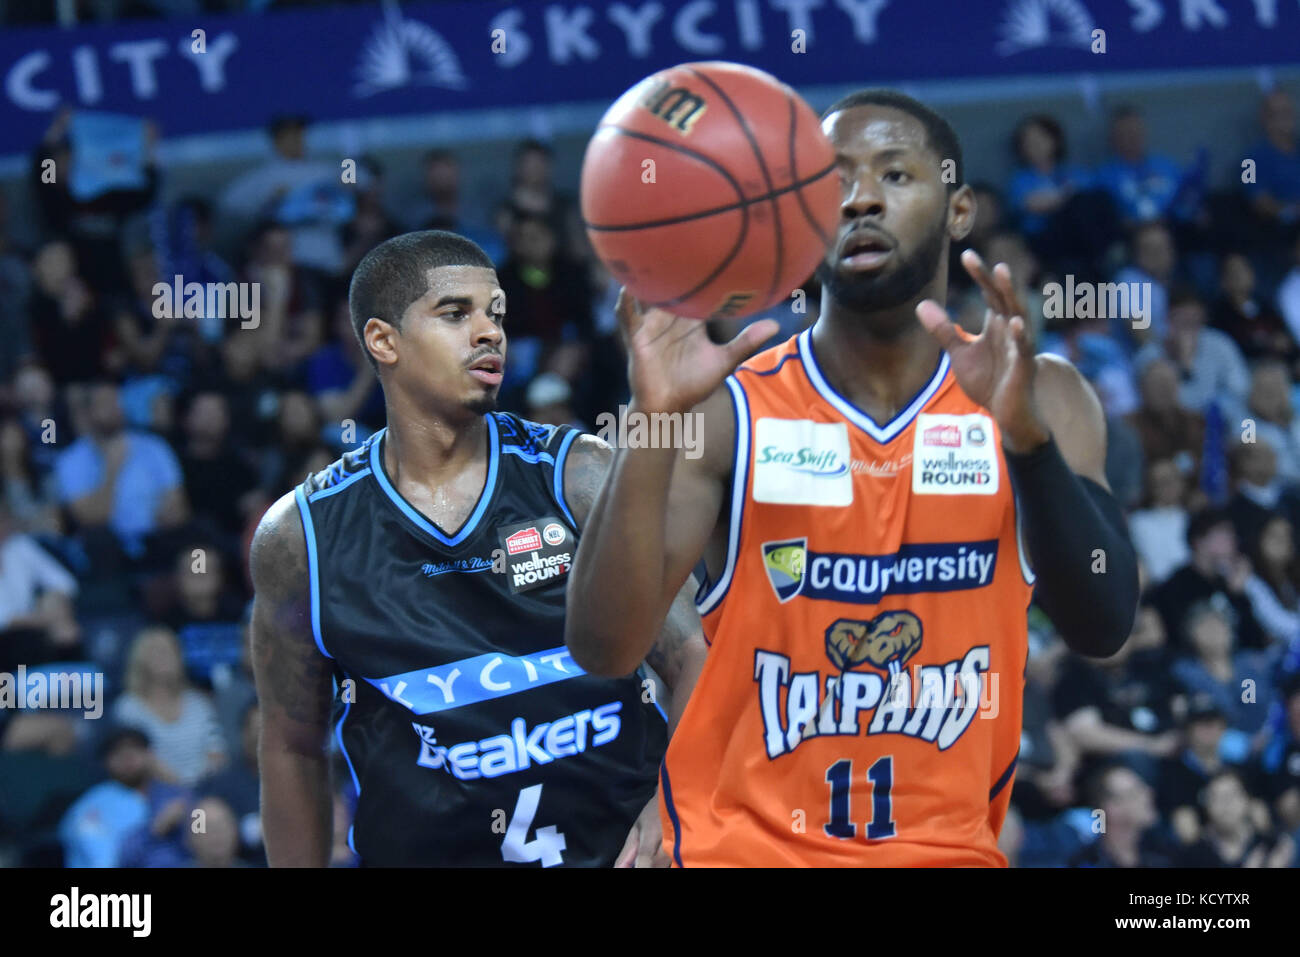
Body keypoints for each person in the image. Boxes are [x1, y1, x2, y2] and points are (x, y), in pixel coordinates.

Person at [565, 89, 1140, 866]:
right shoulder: (725, 412)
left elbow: (1103, 627)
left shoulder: (1045, 397)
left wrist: (1028, 444)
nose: (860, 198)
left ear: (960, 208)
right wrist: (650, 412)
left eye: (896, 176)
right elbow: (606, 645)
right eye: (831, 184)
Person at [249, 230, 706, 867]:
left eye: (496, 313)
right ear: (384, 342)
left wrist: (673, 807)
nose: (489, 331)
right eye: (456, 313)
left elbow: (691, 657)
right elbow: (292, 744)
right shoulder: (301, 538)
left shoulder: (577, 475)